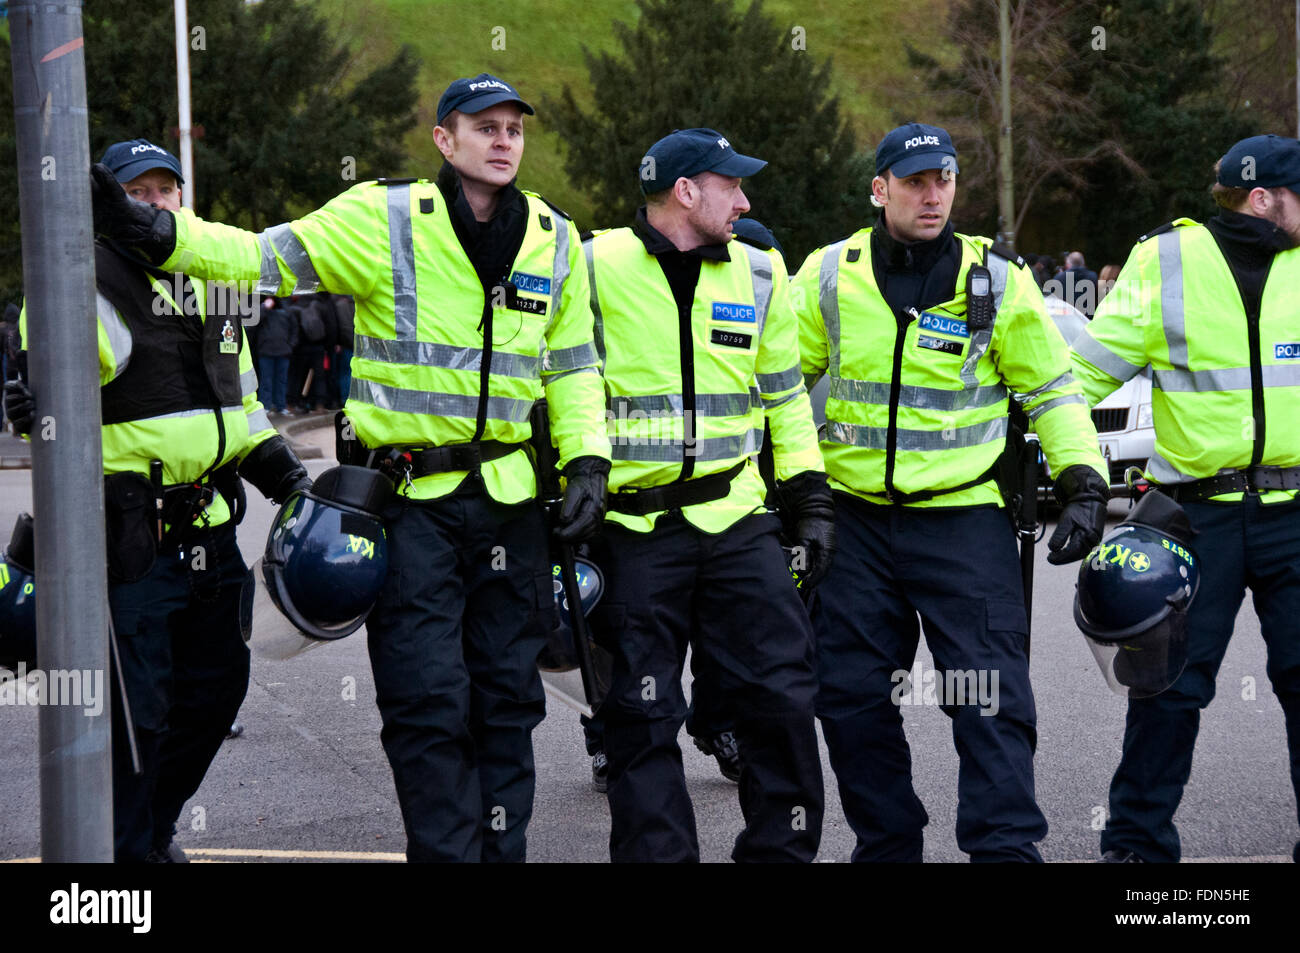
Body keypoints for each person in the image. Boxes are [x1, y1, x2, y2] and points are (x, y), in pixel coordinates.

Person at [91, 75, 610, 862]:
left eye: (514, 128)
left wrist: (588, 462)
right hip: (409, 508)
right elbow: (262, 258)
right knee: (427, 703)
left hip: (510, 502)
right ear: (445, 139)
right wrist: (156, 233)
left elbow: (573, 368)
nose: (504, 140)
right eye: (485, 126)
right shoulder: (384, 215)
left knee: (507, 702)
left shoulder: (553, 235)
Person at [790, 122, 1109, 862]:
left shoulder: (998, 280)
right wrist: (785, 491)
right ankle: (889, 843)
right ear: (880, 189)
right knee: (850, 698)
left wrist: (1083, 477)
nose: (933, 195)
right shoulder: (830, 274)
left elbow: (1053, 388)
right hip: (856, 524)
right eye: (915, 181)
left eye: (945, 180)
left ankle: (1004, 850)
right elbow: (780, 387)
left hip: (964, 520)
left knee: (987, 699)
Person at [4, 138, 311, 862]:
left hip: (211, 536)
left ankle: (152, 827)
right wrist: (32, 400)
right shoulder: (79, 279)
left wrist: (289, 478)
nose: (154, 202)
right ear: (110, 201)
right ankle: (124, 862)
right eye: (136, 192)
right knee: (132, 723)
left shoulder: (214, 280)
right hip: (127, 544)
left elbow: (242, 410)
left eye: (164, 190)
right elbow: (47, 384)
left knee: (214, 697)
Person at [584, 128, 831, 862]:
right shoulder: (593, 265)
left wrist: (811, 498)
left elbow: (786, 400)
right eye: (733, 185)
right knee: (641, 715)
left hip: (737, 520)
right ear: (686, 191)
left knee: (782, 695)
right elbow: (562, 381)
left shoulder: (759, 273)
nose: (746, 201)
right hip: (633, 527)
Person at [1069, 133, 1300, 864]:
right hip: (1195, 515)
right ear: (1266, 199)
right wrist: (1067, 466)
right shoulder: (1166, 259)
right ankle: (1136, 846)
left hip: (1295, 511)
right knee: (1168, 689)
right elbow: (1082, 374)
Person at [255, 295, 297, 415]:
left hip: (281, 351)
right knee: (267, 381)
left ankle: (279, 405)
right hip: (267, 351)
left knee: (280, 381)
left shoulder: (286, 310)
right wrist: (264, 307)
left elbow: (294, 330)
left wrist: (290, 345)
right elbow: (255, 321)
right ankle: (266, 406)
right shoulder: (264, 309)